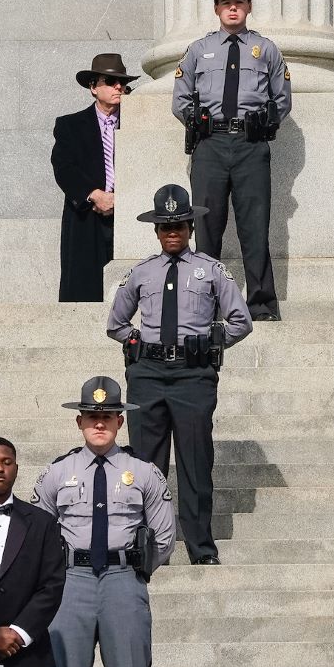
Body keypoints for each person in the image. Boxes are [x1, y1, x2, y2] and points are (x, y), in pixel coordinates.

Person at [107, 184, 252, 565]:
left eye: (180, 225)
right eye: (165, 227)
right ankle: (150, 548)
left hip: (193, 376)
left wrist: (213, 340)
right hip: (149, 375)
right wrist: (136, 342)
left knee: (194, 462)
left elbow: (241, 320)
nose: (173, 232)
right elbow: (116, 323)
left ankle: (201, 546)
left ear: (190, 227)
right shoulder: (141, 272)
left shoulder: (211, 269)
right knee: (145, 466)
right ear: (156, 232)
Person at [35, 376, 175, 667]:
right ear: (79, 421)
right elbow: (37, 536)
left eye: (107, 417)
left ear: (120, 421)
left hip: (123, 582)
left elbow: (164, 538)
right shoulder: (57, 473)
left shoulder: (143, 471)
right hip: (70, 583)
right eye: (92, 417)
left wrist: (135, 570)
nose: (100, 424)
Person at [172, 0, 290, 321]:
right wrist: (196, 120)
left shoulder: (265, 49)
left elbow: (282, 98)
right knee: (207, 228)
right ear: (216, 9)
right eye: (226, 2)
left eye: (239, 2)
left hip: (250, 146)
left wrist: (266, 120)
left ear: (249, 6)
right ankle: (206, 303)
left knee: (255, 227)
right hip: (210, 145)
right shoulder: (198, 50)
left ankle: (261, 302)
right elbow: (180, 98)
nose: (233, 8)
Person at [0, 438, 65, 667]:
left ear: (16, 468)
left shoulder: (42, 522)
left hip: (25, 652)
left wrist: (19, 632)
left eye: (6, 462)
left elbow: (52, 584)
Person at [51, 52, 138, 302]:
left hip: (127, 214)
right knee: (83, 286)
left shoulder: (136, 123)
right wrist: (94, 195)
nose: (118, 87)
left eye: (122, 82)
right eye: (110, 82)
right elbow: (63, 166)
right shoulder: (71, 125)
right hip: (86, 214)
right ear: (93, 87)